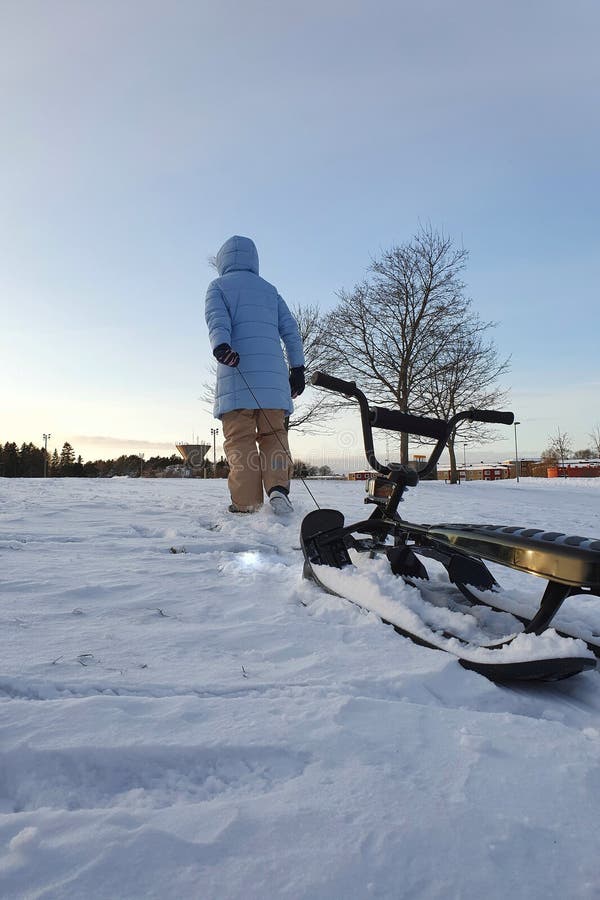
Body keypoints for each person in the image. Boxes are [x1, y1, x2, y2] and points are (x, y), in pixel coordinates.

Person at [205, 235, 305, 514]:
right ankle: (278, 490)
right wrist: (297, 368)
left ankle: (246, 503)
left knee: (240, 442)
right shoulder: (270, 291)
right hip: (274, 384)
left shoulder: (218, 287)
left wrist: (221, 346)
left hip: (237, 378)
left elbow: (217, 319)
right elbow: (291, 331)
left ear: (223, 261)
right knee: (275, 437)